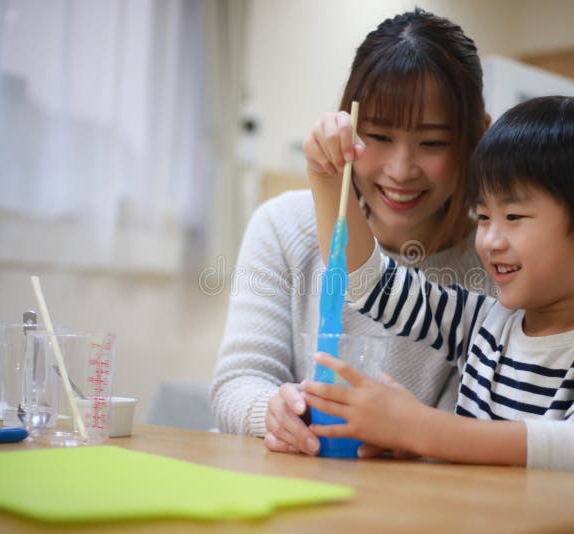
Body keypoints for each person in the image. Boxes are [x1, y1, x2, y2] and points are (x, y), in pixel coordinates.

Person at [303, 95, 574, 481]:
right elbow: (369, 284)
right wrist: (326, 176)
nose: (490, 240)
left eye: (514, 216)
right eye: (483, 216)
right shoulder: (483, 324)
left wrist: (419, 428)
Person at [210, 8, 492, 456]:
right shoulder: (284, 228)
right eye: (378, 136)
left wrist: (414, 436)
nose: (401, 170)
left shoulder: (498, 267)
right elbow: (235, 384)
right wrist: (276, 411)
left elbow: (491, 435)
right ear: (347, 126)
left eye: (433, 143)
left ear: (478, 138)